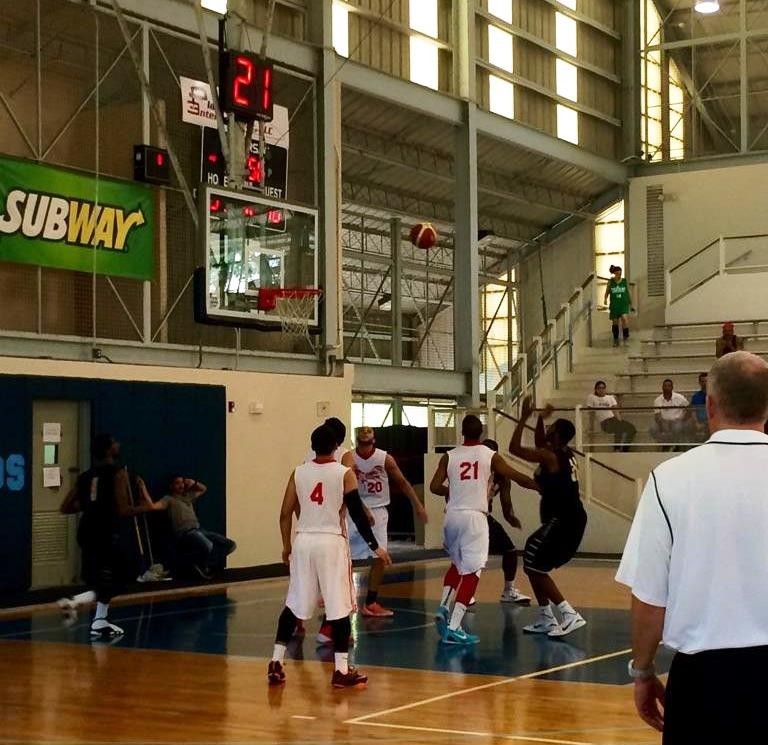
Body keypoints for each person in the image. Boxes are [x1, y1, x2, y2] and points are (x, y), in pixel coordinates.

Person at [615, 352, 768, 743]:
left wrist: (642, 671)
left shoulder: (668, 479)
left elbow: (649, 598)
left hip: (704, 684)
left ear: (710, 405)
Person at [267, 424, 392, 688]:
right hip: (331, 541)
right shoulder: (344, 473)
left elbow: (284, 513)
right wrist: (375, 546)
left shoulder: (298, 472)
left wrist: (286, 546)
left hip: (303, 540)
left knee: (294, 603)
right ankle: (341, 670)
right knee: (339, 606)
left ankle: (276, 661)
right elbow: (357, 513)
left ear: (312, 446)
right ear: (336, 447)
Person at [429, 415, 539, 645]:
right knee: (473, 572)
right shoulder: (490, 455)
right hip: (474, 518)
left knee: (457, 564)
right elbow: (516, 476)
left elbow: (434, 487)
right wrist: (540, 486)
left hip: (452, 517)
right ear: (481, 433)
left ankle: (443, 607)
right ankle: (454, 627)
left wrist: (453, 491)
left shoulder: (449, 455)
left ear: (462, 432)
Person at [58, 434, 163, 639]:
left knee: (103, 580)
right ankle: (75, 602)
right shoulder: (118, 473)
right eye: (115, 442)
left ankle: (99, 620)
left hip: (86, 531)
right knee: (125, 576)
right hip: (105, 531)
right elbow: (124, 509)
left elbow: (66, 507)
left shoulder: (85, 476)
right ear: (108, 449)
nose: (118, 445)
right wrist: (147, 507)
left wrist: (91, 504)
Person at [509, 397, 588, 638]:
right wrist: (541, 419)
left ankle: (569, 614)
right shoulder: (560, 452)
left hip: (564, 520)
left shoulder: (551, 457)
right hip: (566, 518)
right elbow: (540, 442)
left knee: (533, 562)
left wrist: (525, 417)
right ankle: (546, 617)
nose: (547, 431)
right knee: (533, 563)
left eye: (551, 428)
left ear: (557, 436)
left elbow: (515, 449)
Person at [346, 426, 428, 617]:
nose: (365, 446)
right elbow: (345, 487)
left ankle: (371, 601)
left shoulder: (384, 458)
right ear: (357, 442)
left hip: (378, 510)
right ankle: (342, 594)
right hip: (355, 509)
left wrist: (418, 505)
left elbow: (403, 482)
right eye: (362, 442)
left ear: (374, 441)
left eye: (368, 442)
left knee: (380, 557)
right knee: (346, 555)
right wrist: (361, 508)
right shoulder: (349, 458)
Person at [154, 476, 236, 579]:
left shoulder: (188, 497)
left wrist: (193, 483)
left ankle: (204, 564)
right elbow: (153, 506)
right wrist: (142, 489)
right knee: (208, 545)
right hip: (185, 532)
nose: (181, 485)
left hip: (199, 529)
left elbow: (203, 489)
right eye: (177, 483)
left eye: (182, 483)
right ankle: (201, 565)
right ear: (171, 486)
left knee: (231, 545)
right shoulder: (169, 499)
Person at [483, 439, 531, 605]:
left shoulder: (502, 476)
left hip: (483, 517)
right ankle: (463, 596)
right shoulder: (474, 470)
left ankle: (508, 590)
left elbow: (506, 503)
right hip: (469, 516)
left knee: (510, 551)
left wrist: (510, 517)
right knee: (469, 558)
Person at [585, 380, 636, 451]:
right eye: (599, 388)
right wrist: (590, 426)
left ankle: (624, 449)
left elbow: (615, 411)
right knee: (619, 427)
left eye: (603, 388)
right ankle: (616, 449)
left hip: (613, 419)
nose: (601, 390)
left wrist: (620, 421)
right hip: (605, 422)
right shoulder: (592, 397)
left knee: (632, 429)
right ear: (596, 389)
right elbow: (590, 413)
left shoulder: (610, 397)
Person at [650, 379, 690, 449]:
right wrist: (662, 423)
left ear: (672, 387)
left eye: (669, 386)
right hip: (664, 421)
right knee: (653, 429)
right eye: (665, 386)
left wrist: (682, 419)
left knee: (677, 427)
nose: (667, 388)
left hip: (677, 420)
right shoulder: (657, 400)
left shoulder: (680, 398)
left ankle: (676, 445)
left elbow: (689, 409)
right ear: (662, 387)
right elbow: (657, 416)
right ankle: (666, 444)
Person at [603, 265, 632, 347]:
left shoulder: (624, 281)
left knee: (624, 319)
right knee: (615, 322)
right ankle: (616, 339)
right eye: (618, 273)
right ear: (615, 273)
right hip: (614, 304)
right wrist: (605, 299)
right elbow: (607, 291)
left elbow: (628, 292)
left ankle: (626, 338)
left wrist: (631, 302)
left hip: (623, 303)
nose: (619, 275)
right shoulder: (610, 282)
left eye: (620, 273)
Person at [690, 372, 709, 441]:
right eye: (703, 381)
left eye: (706, 381)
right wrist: (696, 423)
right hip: (699, 422)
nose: (705, 383)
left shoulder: (715, 396)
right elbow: (693, 412)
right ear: (700, 383)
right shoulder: (695, 397)